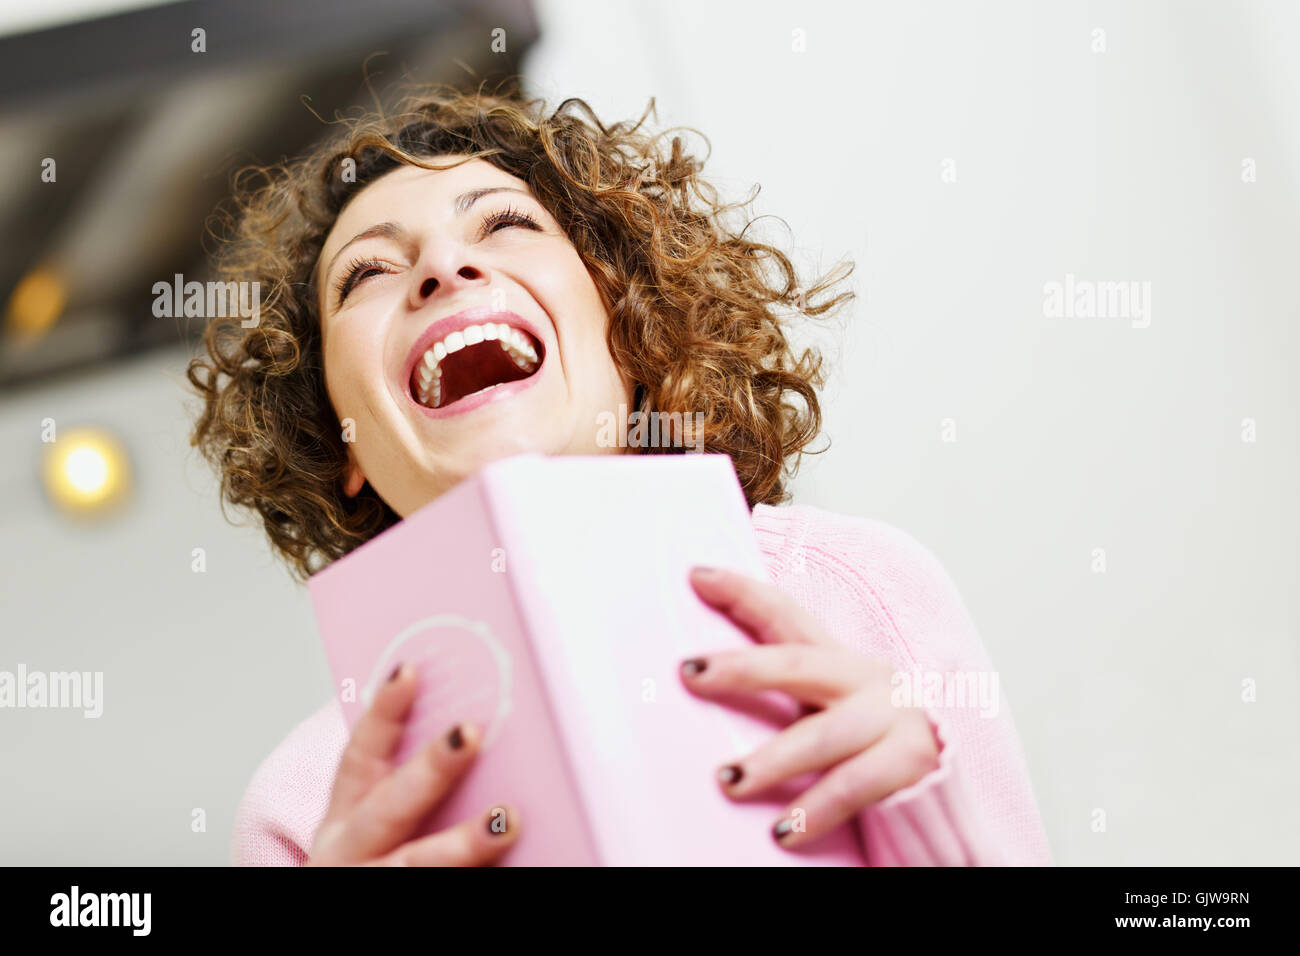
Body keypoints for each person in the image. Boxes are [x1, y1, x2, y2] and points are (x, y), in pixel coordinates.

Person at [188, 85, 1051, 866]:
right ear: (338, 442)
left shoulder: (860, 593)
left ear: (628, 328)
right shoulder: (300, 814)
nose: (444, 270)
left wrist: (924, 824)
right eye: (369, 272)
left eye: (506, 223)